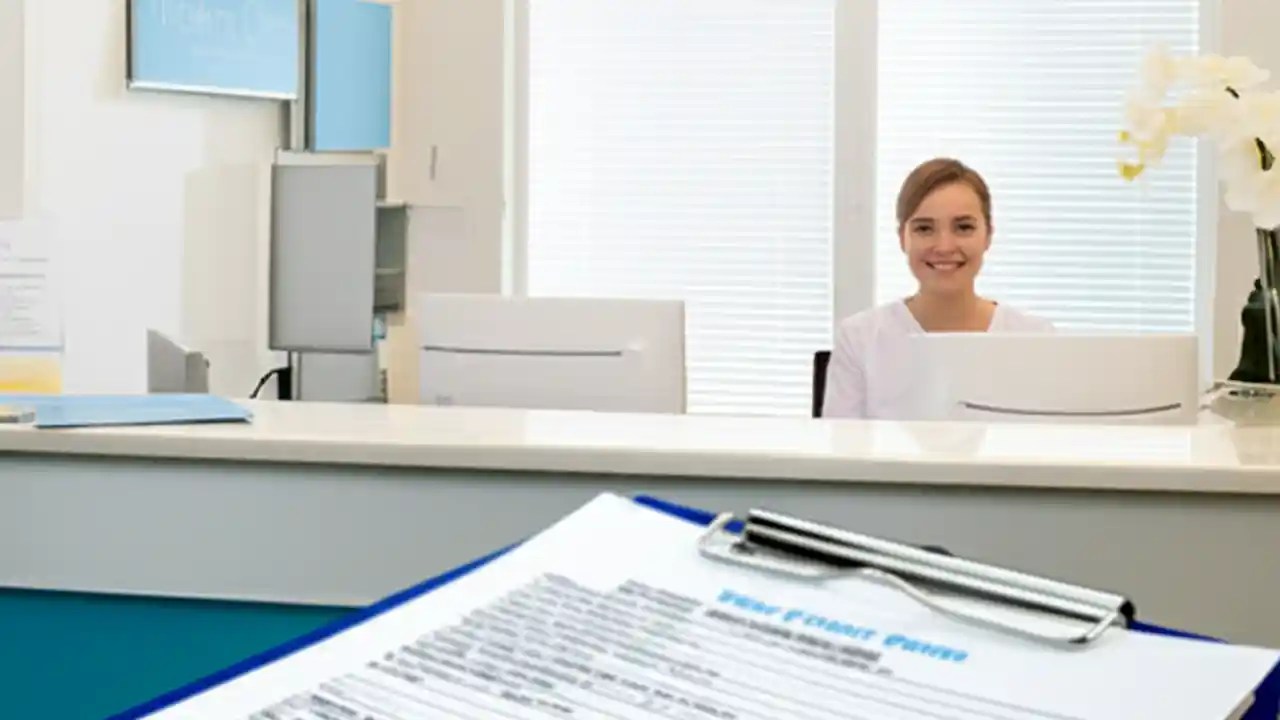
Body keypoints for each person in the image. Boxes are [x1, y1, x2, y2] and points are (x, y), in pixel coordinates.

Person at [822, 158, 1053, 419]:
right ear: (902, 238)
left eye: (963, 227)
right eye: (924, 228)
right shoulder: (860, 339)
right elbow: (842, 453)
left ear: (988, 235)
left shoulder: (1034, 339)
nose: (944, 246)